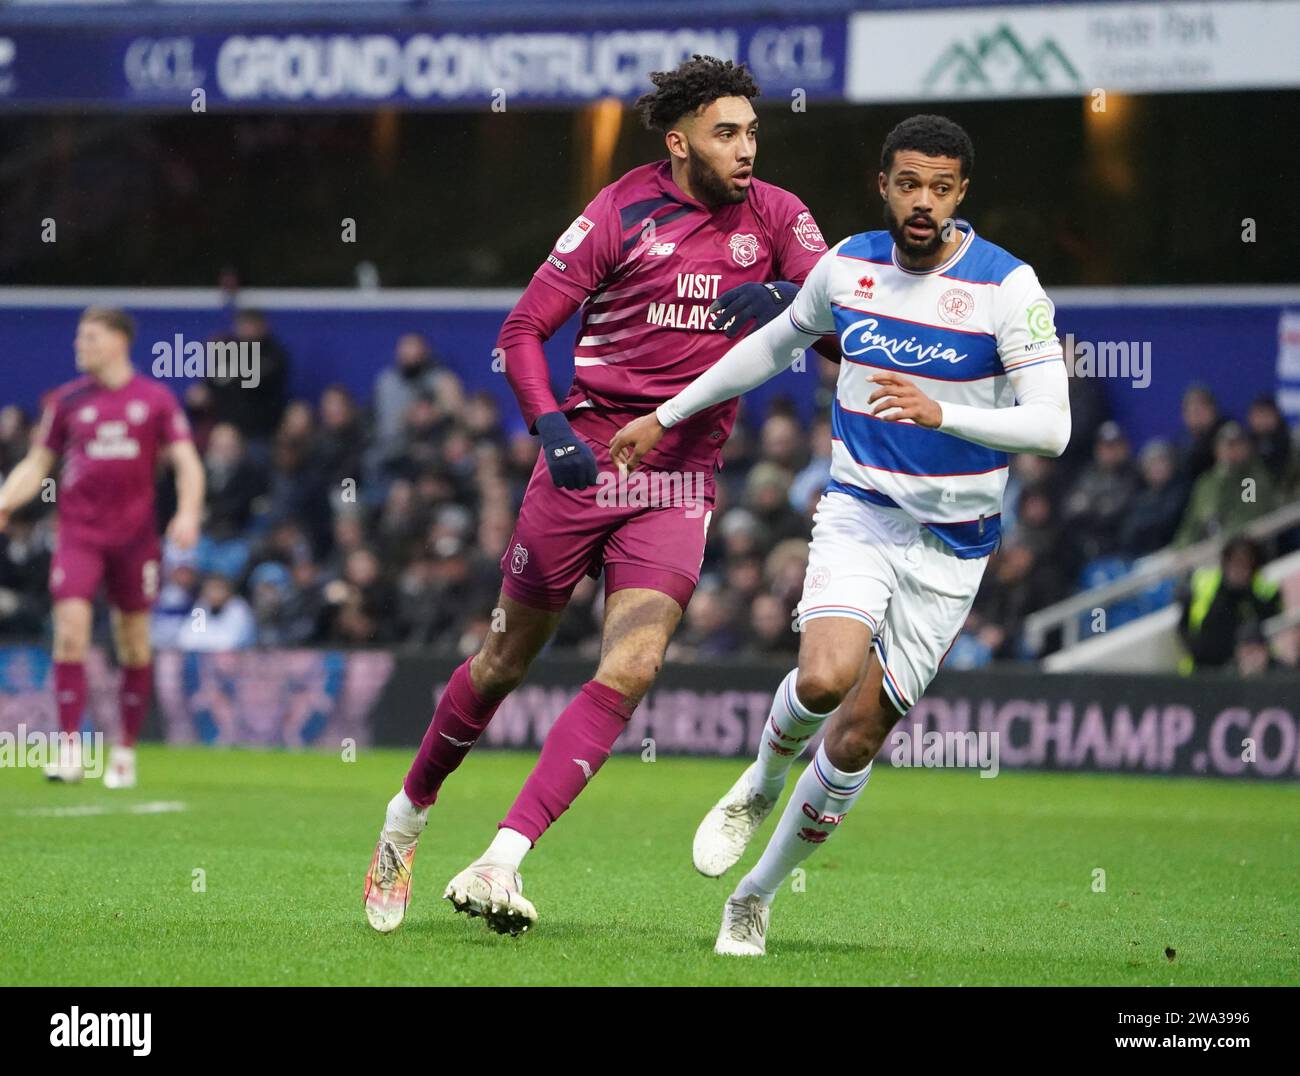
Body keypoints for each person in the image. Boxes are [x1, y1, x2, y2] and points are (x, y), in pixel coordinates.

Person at [362, 55, 837, 936]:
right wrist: (547, 428)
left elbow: (840, 319)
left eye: (752, 132)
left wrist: (785, 301)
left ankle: (501, 859)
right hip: (586, 456)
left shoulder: (777, 215)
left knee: (634, 665)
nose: (745, 149)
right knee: (502, 662)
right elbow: (523, 330)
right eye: (726, 132)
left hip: (680, 479)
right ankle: (408, 816)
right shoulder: (621, 208)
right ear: (680, 139)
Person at [612, 114, 1071, 956]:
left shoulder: (1010, 289)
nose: (923, 202)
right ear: (884, 185)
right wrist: (667, 412)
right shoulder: (849, 265)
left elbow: (1052, 429)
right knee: (823, 682)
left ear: (961, 192)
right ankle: (759, 780)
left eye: (940, 187)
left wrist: (947, 413)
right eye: (908, 184)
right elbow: (774, 343)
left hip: (954, 545)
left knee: (859, 735)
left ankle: (755, 895)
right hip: (861, 510)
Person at [0, 307, 204, 787]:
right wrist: (5, 499)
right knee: (70, 630)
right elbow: (37, 463)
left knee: (133, 642)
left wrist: (189, 511)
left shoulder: (154, 400)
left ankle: (125, 752)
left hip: (135, 539)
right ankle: (70, 748)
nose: (79, 345)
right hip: (79, 535)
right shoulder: (66, 401)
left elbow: (187, 462)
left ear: (118, 341)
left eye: (89, 337)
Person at [1177, 536, 1280, 671]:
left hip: (1245, 673)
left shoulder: (1263, 593)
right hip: (1202, 670)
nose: (1239, 570)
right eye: (1235, 563)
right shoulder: (1204, 584)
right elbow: (1183, 625)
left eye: (1245, 564)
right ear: (1225, 562)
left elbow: (1274, 632)